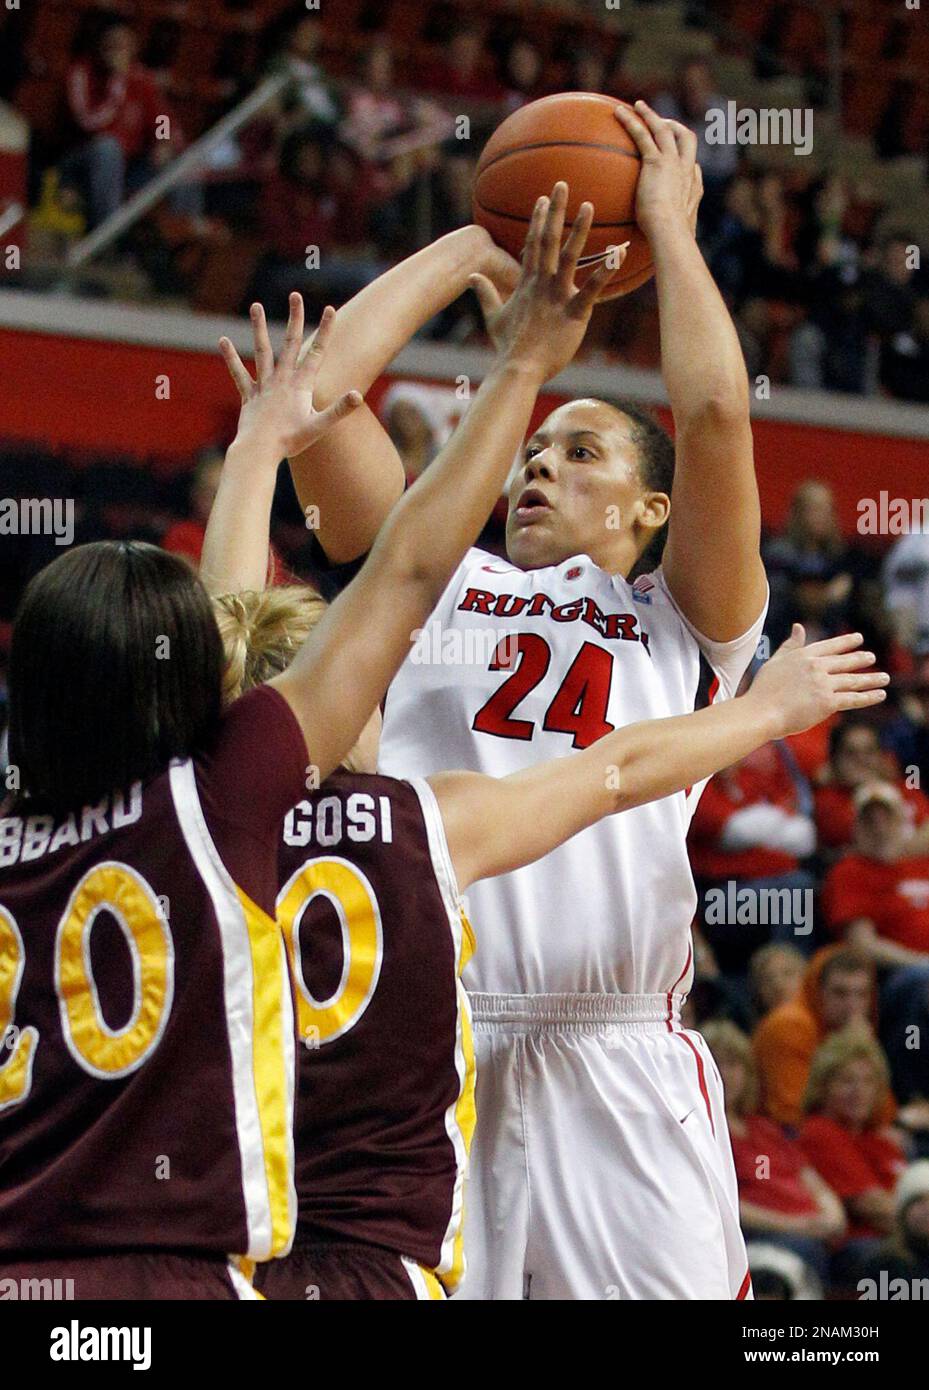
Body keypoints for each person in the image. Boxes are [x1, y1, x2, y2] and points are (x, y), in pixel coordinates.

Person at [277, 109, 883, 1299]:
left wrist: (666, 223)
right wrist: (466, 248)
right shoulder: (436, 575)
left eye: (582, 451)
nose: (538, 465)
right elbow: (315, 403)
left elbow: (713, 416)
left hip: (615, 1050)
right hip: (430, 1043)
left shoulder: (687, 618)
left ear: (649, 511)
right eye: (532, 450)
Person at [0, 196, 611, 1298]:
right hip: (188, 1274)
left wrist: (256, 454)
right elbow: (406, 572)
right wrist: (519, 363)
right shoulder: (219, 797)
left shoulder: (59, 820)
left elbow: (241, 615)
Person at [202, 455, 887, 1302]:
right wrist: (764, 712)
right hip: (402, 1177)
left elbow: (222, 632)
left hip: (271, 1197)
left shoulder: (203, 819)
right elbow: (616, 772)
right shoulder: (421, 828)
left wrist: (254, 448)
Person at [704, 1020, 845, 1281]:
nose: (725, 1073)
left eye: (734, 1064)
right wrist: (795, 1225)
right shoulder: (703, 1131)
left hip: (811, 1230)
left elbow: (813, 1182)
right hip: (760, 1236)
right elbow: (723, 1204)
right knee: (804, 1251)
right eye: (717, 1063)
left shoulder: (765, 1127)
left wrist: (832, 1216)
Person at [799, 1031, 907, 1283]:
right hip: (856, 1248)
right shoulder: (820, 1132)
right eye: (847, 1081)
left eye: (868, 1082)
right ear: (823, 1086)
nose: (859, 1091)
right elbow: (872, 1207)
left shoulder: (881, 1141)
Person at [753, 944, 887, 1128]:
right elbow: (788, 1113)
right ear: (818, 990)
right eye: (840, 993)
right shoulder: (788, 1025)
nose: (852, 1005)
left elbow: (880, 1114)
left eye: (861, 994)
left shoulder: (857, 1031)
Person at [822, 781, 929, 968]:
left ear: (901, 822)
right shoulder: (850, 871)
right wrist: (922, 963)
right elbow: (863, 944)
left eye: (887, 819)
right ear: (856, 826)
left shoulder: (921, 864)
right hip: (900, 972)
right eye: (869, 821)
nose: (880, 829)